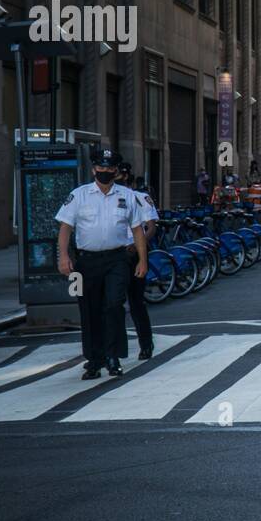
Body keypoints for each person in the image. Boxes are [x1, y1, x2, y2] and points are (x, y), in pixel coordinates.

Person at [55, 149, 148, 380]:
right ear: (93, 169)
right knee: (89, 309)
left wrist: (142, 260)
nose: (104, 172)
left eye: (109, 168)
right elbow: (65, 227)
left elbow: (137, 230)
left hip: (117, 259)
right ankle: (94, 360)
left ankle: (113, 357)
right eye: (101, 167)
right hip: (86, 262)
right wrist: (63, 257)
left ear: (116, 171)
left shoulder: (127, 196)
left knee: (115, 304)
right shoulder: (79, 195)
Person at [117, 162, 158, 360]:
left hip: (134, 252)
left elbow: (151, 227)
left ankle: (146, 343)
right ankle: (113, 349)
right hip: (113, 255)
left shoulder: (140, 198)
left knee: (136, 301)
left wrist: (136, 245)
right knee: (112, 303)